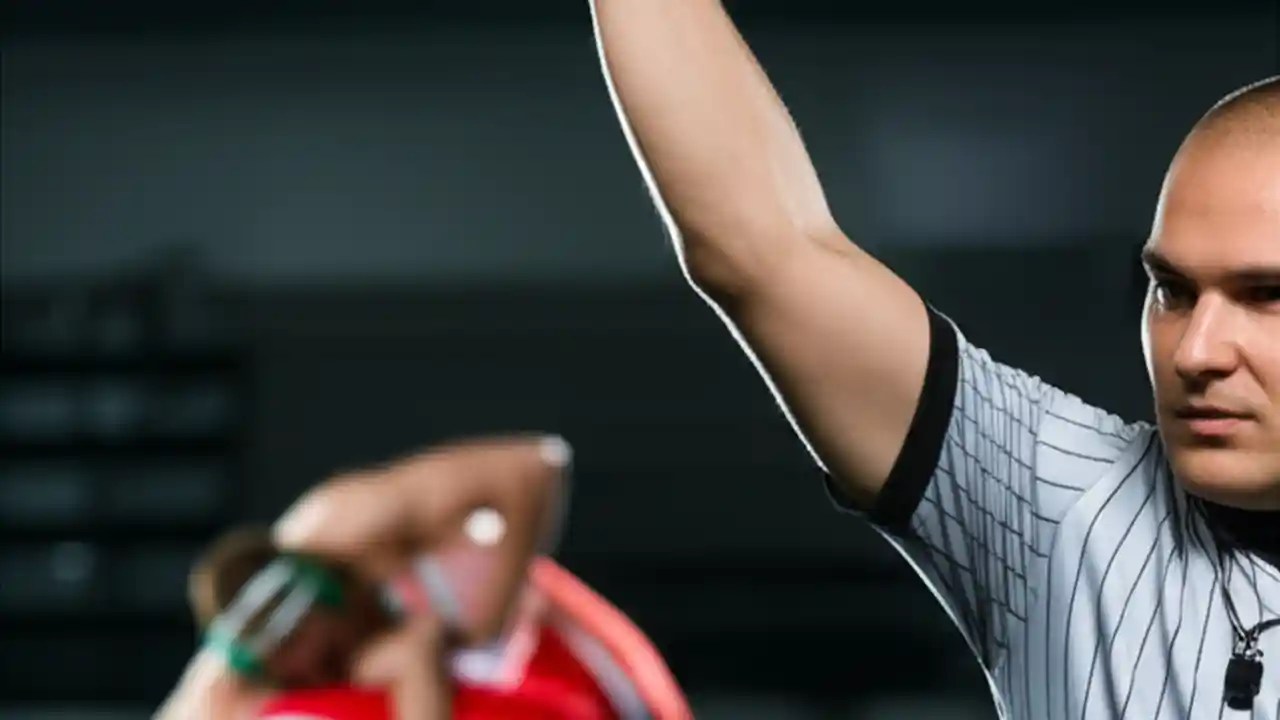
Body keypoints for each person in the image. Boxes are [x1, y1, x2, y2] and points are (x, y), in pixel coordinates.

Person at [587, 2, 1279, 718]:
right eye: (1172, 289)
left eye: (1268, 295)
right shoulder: (1069, 508)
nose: (1196, 352)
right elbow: (762, 248)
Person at [152, 434, 689, 720]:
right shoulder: (260, 660)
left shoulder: (347, 521)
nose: (305, 671)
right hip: (474, 667)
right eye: (284, 669)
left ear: (317, 597)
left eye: (305, 651)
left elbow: (535, 464)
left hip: (544, 630)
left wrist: (494, 616)